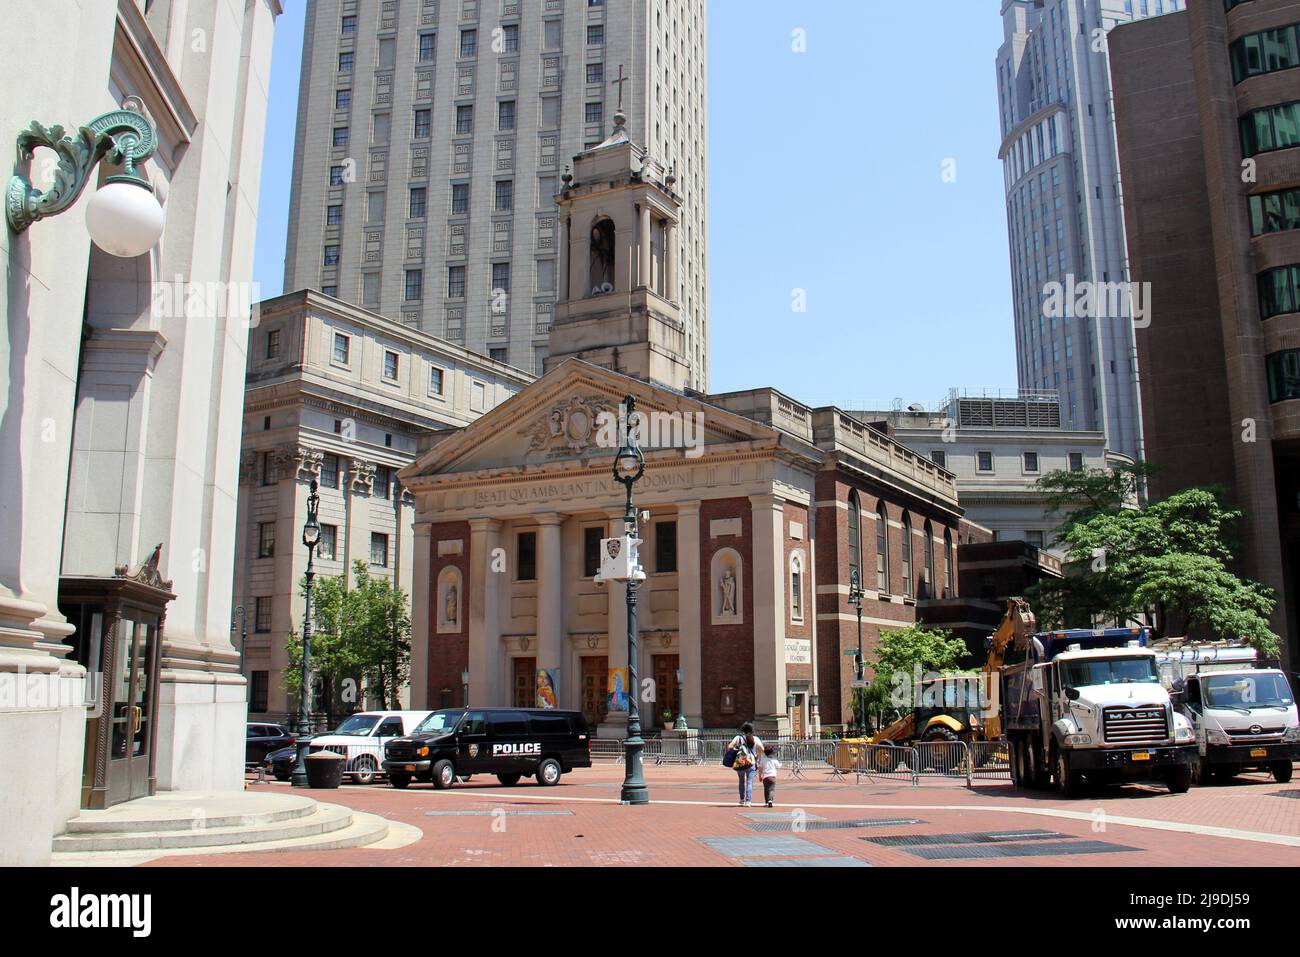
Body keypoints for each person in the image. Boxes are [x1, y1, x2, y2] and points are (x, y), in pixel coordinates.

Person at [728, 722, 762, 806]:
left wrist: (736, 750)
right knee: (749, 782)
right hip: (751, 762)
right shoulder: (755, 739)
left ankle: (742, 799)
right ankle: (748, 801)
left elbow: (729, 747)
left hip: (740, 762)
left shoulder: (738, 738)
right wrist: (757, 756)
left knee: (741, 781)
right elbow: (762, 749)